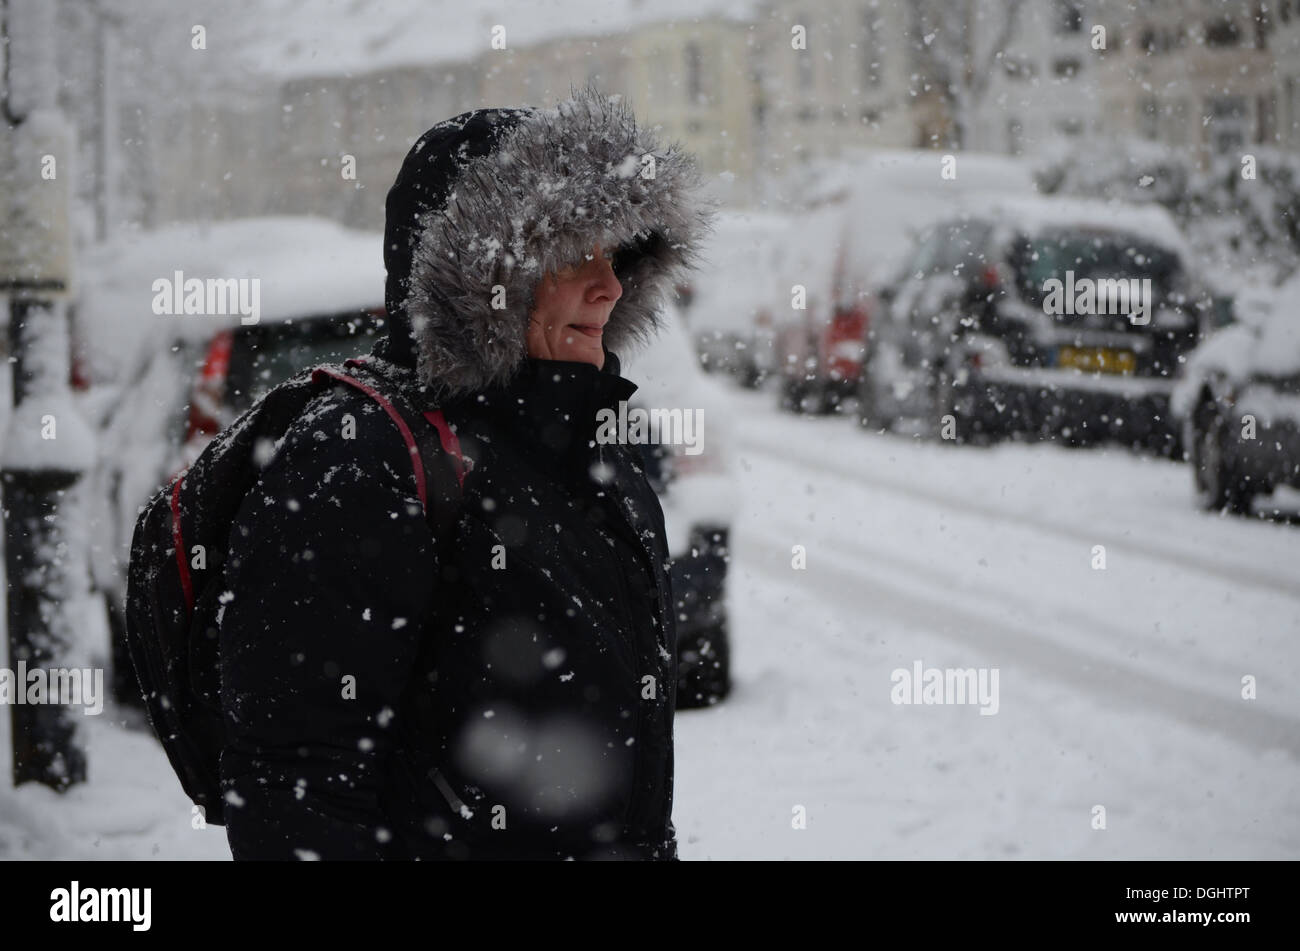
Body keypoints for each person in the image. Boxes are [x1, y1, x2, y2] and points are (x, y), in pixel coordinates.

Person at [216, 87, 713, 860]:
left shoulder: (598, 462)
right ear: (491, 271)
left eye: (616, 254)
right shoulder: (360, 459)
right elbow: (299, 793)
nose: (610, 284)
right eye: (575, 252)